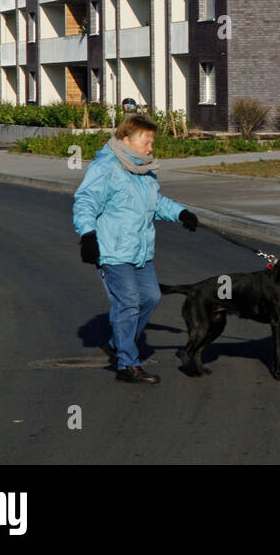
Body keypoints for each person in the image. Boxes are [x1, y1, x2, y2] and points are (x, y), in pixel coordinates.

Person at [73, 113, 198, 384]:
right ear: (126, 139)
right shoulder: (106, 168)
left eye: (152, 142)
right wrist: (88, 236)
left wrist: (181, 213)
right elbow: (85, 202)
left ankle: (119, 342)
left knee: (151, 297)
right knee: (128, 302)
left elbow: (156, 202)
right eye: (146, 141)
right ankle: (127, 364)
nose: (151, 147)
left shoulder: (143, 171)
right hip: (113, 251)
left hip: (140, 251)